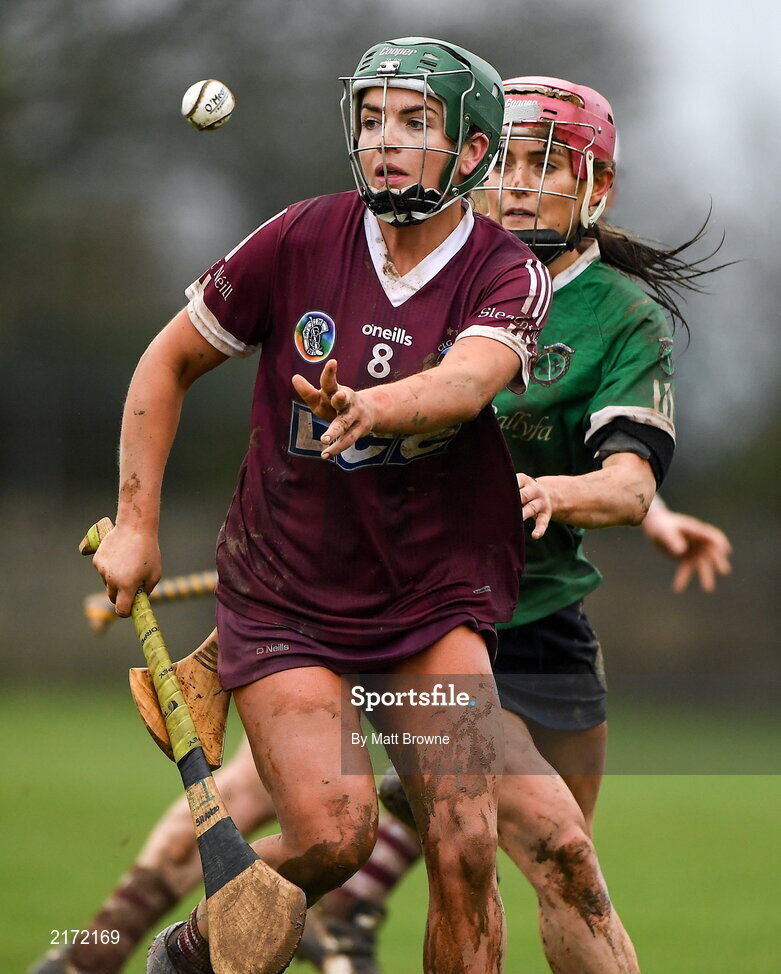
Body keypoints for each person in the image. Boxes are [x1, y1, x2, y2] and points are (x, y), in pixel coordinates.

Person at [29, 75, 733, 974]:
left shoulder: (593, 309)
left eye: (542, 165)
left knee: (552, 857)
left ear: (596, 188)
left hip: (530, 621)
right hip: (378, 602)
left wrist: (597, 500)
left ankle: (329, 923)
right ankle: (97, 952)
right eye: (507, 162)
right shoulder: (433, 258)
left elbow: (604, 464)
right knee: (296, 817)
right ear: (475, 161)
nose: (518, 185)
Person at [84, 36, 555, 974]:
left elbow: (466, 382)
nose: (385, 139)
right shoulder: (298, 235)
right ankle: (190, 954)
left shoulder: (506, 271)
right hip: (287, 599)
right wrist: (135, 522)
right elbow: (166, 361)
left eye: (415, 123)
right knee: (335, 838)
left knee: (463, 845)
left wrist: (373, 405)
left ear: (469, 154)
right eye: (372, 117)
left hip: (428, 602)